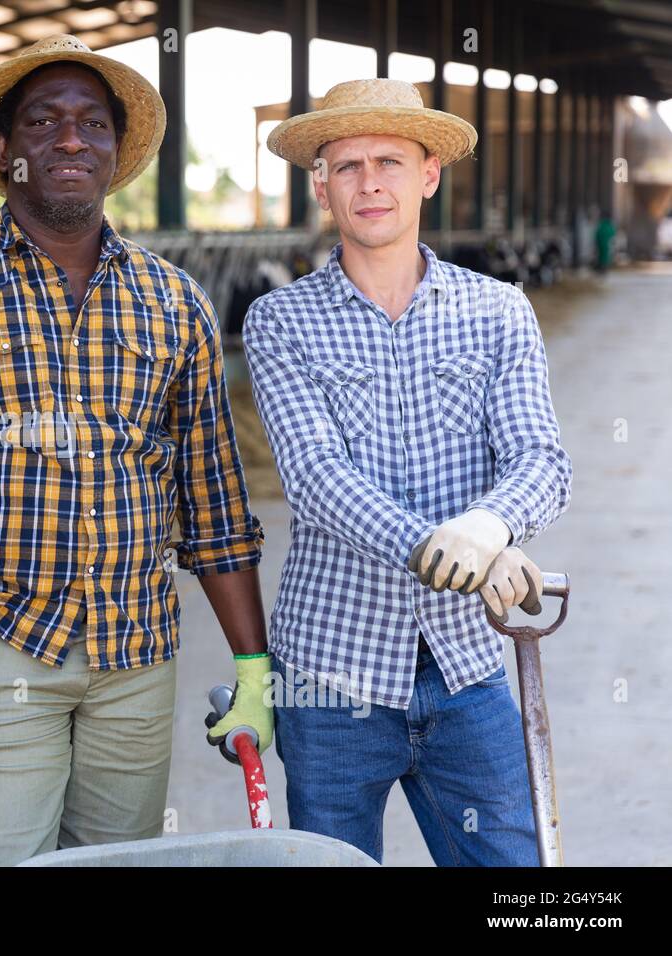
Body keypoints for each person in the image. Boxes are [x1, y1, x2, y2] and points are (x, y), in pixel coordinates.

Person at [0, 35, 268, 866]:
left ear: (116, 150)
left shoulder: (175, 303)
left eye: (93, 123)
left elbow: (215, 505)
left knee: (121, 863)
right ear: (4, 152)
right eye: (44, 120)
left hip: (136, 655)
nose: (71, 140)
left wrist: (253, 670)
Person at [248, 78, 573, 865]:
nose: (370, 182)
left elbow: (539, 457)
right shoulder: (280, 321)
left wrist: (490, 525)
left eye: (390, 160)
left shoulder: (498, 310)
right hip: (330, 678)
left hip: (467, 664)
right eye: (347, 164)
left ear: (429, 173)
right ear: (321, 184)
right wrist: (450, 549)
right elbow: (317, 478)